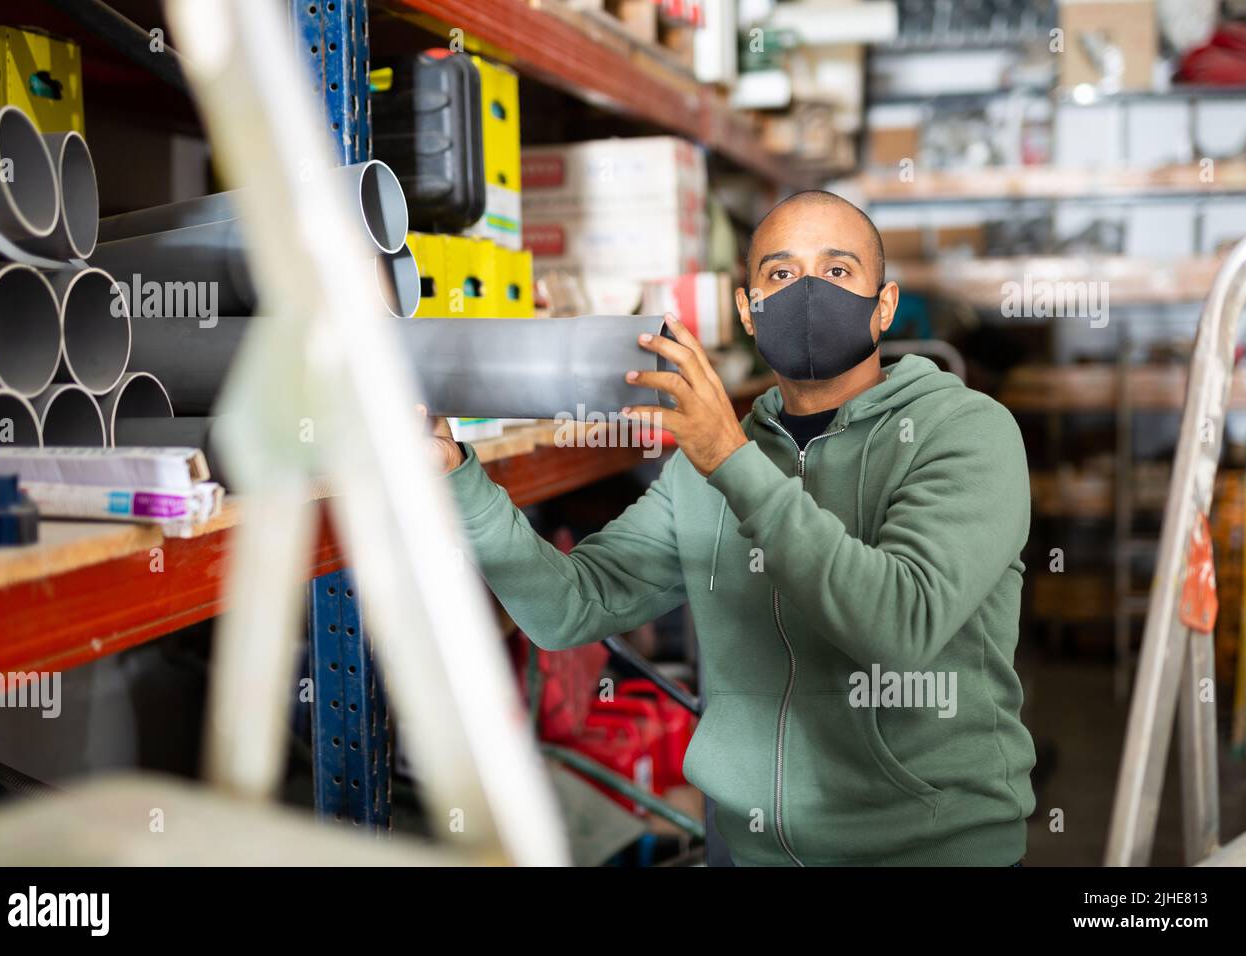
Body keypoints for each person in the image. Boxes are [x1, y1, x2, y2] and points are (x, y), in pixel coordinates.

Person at [427, 190, 1036, 866]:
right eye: (780, 274)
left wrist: (729, 460)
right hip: (748, 854)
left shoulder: (966, 432)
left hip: (928, 853)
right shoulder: (708, 464)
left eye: (837, 271)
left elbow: (897, 624)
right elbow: (569, 607)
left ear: (884, 305)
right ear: (747, 311)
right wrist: (457, 475)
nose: (807, 291)